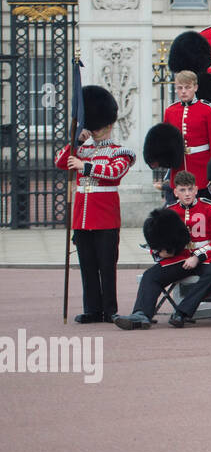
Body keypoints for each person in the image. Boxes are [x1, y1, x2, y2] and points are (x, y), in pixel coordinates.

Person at [56, 87, 135, 324]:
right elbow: (60, 161)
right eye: (94, 126)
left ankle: (110, 309)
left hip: (106, 218)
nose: (96, 130)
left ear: (109, 125)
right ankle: (92, 308)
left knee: (106, 267)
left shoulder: (119, 151)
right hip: (82, 218)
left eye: (99, 126)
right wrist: (75, 140)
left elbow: (114, 172)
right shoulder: (83, 149)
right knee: (88, 267)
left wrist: (85, 167)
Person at [117, 171, 211, 329]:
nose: (187, 194)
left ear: (196, 189)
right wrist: (160, 252)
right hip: (179, 258)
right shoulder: (170, 211)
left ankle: (181, 312)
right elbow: (157, 240)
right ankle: (141, 315)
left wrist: (197, 256)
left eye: (190, 189)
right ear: (175, 192)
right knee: (151, 275)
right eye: (182, 190)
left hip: (206, 258)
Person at [164, 70, 211, 190]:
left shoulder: (209, 110)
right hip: (178, 169)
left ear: (195, 87)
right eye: (180, 88)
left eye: (187, 87)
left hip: (202, 170)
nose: (183, 91)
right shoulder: (170, 111)